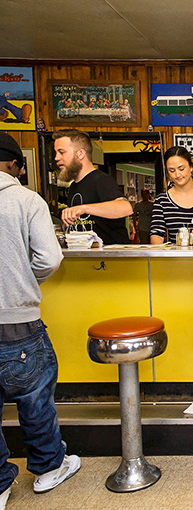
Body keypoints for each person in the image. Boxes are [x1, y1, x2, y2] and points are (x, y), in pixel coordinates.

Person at [0, 132, 80, 508]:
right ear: (15, 165)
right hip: (18, 321)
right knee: (35, 399)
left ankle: (0, 483)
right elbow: (50, 258)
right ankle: (48, 468)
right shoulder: (25, 200)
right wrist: (23, 279)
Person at [54, 130, 132, 245]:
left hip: (110, 259)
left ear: (80, 154)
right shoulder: (74, 186)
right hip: (87, 258)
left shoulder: (101, 180)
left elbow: (125, 208)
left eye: (62, 152)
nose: (56, 158)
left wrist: (83, 208)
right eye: (56, 153)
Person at [150, 146, 193, 245]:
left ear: (191, 167)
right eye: (172, 170)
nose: (177, 175)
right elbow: (156, 233)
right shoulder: (162, 200)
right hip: (176, 258)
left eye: (181, 169)